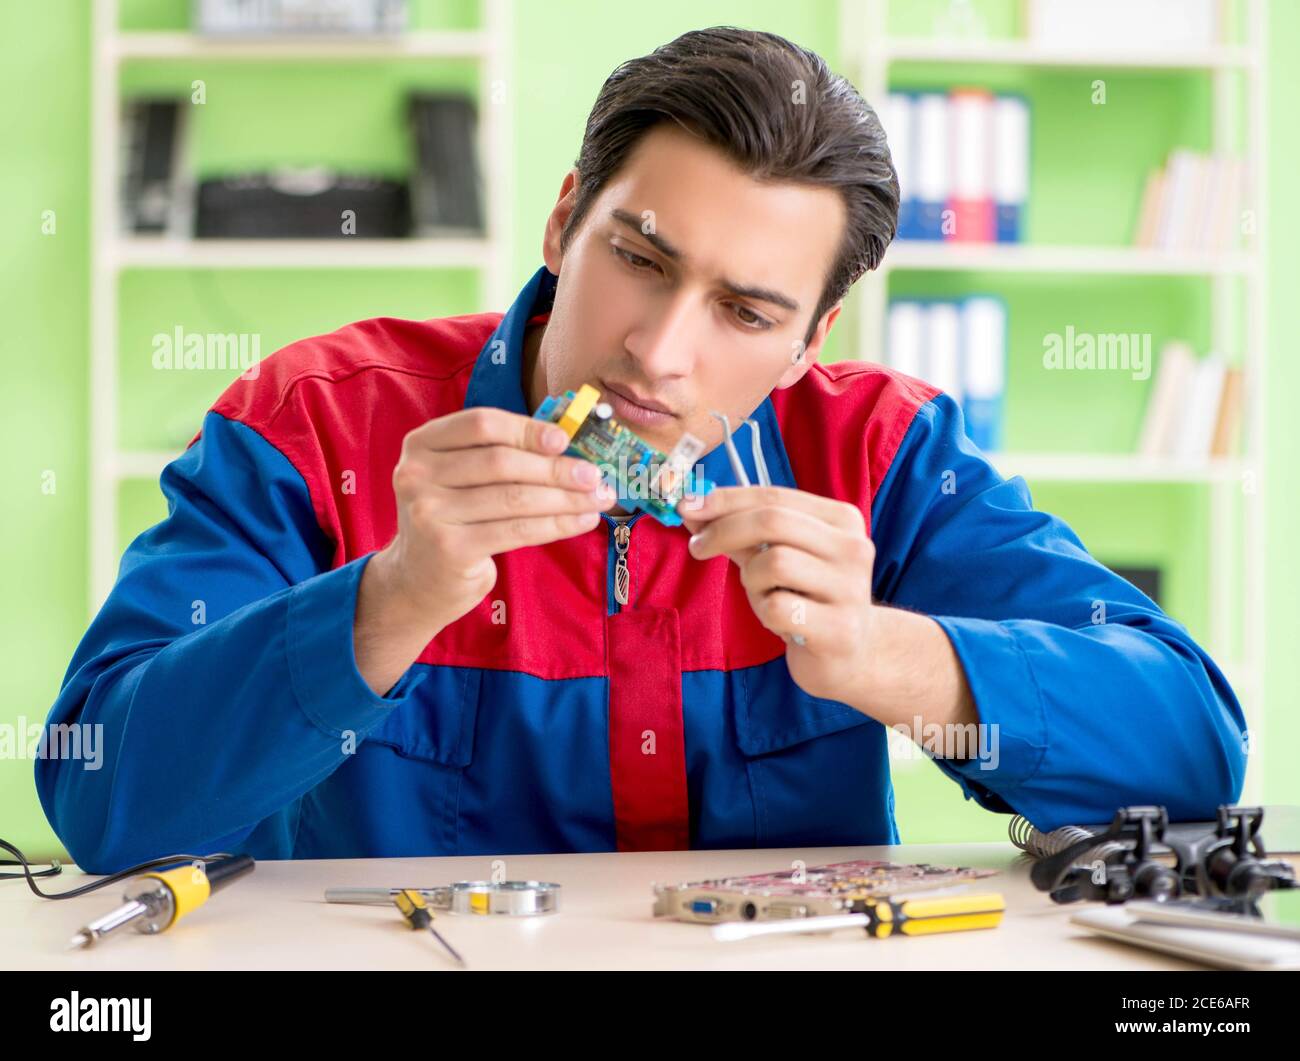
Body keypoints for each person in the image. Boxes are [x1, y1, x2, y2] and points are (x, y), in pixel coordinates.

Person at [40, 27, 1245, 874]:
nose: (659, 353)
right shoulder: (313, 419)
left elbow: (1189, 751)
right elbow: (102, 795)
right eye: (642, 259)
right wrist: (387, 599)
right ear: (566, 219)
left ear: (809, 338)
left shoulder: (881, 449)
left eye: (746, 311)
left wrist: (892, 657)